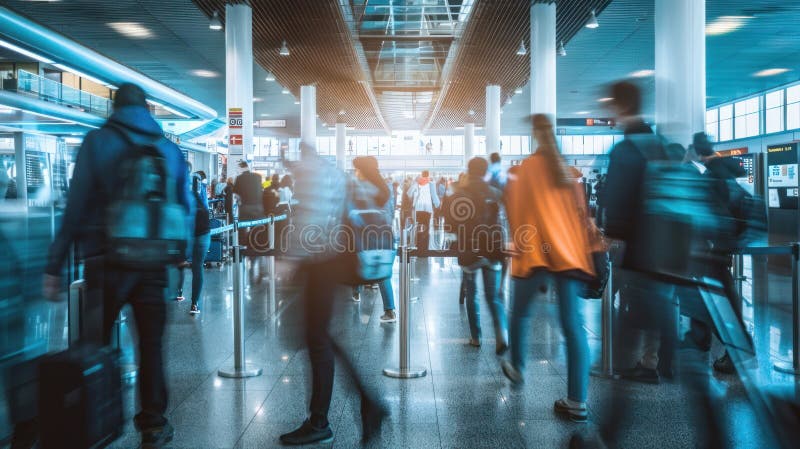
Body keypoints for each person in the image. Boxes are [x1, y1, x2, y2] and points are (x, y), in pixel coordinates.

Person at [42, 83, 191, 448]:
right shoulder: (170, 150)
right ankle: (153, 424)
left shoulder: (97, 142)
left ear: (114, 106)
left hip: (106, 262)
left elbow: (74, 208)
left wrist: (54, 266)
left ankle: (92, 419)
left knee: (95, 343)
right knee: (152, 345)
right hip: (154, 266)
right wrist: (179, 255)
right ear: (148, 109)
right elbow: (185, 208)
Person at [278, 143, 387, 446]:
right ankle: (365, 405)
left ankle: (324, 419)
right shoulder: (329, 171)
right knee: (323, 338)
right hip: (333, 261)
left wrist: (289, 258)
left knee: (318, 339)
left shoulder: (314, 170)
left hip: (321, 264)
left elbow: (310, 217)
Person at [501, 114, 594, 423]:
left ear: (533, 138)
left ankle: (517, 366)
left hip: (535, 252)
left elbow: (516, 211)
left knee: (519, 313)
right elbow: (582, 216)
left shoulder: (525, 170)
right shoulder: (569, 173)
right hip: (568, 254)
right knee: (573, 326)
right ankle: (577, 400)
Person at [445, 157, 508, 353]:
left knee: (471, 294)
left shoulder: (458, 195)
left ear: (469, 171)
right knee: (493, 296)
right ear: (486, 171)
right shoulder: (495, 193)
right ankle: (502, 334)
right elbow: (502, 221)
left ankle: (476, 337)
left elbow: (450, 223)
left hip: (469, 249)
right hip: (492, 249)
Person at [350, 157, 397, 323]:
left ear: (362, 171)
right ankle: (390, 310)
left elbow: (353, 213)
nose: (356, 172)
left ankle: (356, 292)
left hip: (365, 235)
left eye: (357, 170)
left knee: (358, 263)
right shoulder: (385, 187)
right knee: (382, 272)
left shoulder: (361, 188)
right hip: (383, 234)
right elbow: (391, 213)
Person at [177, 170, 210, 315]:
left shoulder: (182, 187)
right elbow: (207, 207)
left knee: (180, 262)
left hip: (186, 231)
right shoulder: (201, 189)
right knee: (197, 268)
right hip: (203, 231)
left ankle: (179, 291)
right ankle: (194, 304)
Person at [406, 170, 440, 251]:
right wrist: (437, 205)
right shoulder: (431, 183)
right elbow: (434, 195)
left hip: (418, 208)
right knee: (426, 227)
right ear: (428, 175)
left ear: (422, 175)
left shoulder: (417, 183)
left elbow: (409, 193)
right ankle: (425, 248)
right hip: (427, 209)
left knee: (418, 226)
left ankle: (419, 246)